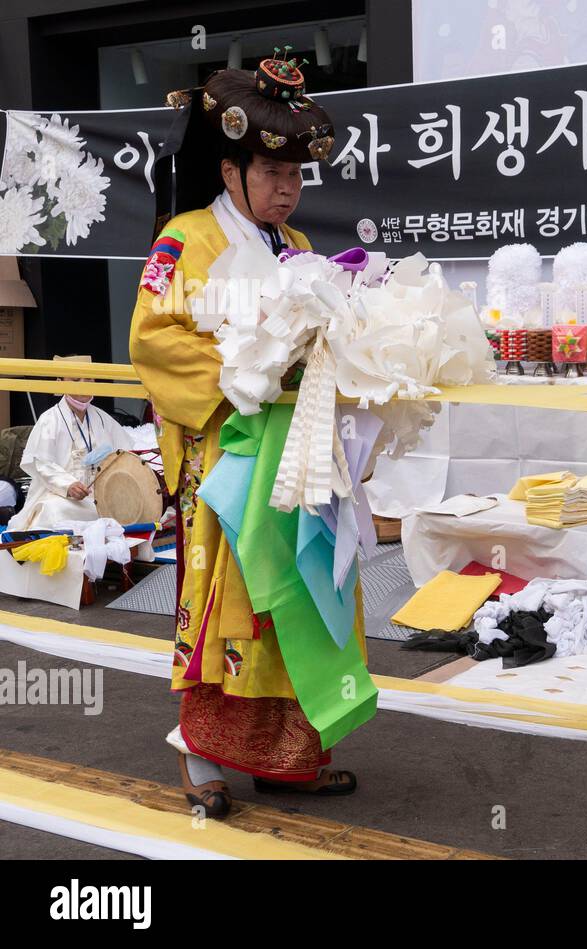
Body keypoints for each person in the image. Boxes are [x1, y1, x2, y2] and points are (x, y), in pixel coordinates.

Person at [129, 54, 366, 819]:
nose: (287, 187)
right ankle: (199, 757)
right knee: (221, 603)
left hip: (291, 455)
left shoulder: (295, 247)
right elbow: (151, 340)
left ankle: (290, 756)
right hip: (224, 457)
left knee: (290, 595)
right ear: (230, 170)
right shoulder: (183, 240)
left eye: (296, 174)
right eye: (271, 171)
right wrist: (245, 368)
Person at [8, 354, 134, 531]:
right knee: (53, 511)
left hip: (100, 496)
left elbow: (125, 454)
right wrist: (68, 485)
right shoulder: (49, 420)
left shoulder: (104, 419)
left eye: (89, 378)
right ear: (61, 382)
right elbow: (41, 462)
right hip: (60, 496)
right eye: (76, 379)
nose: (84, 383)